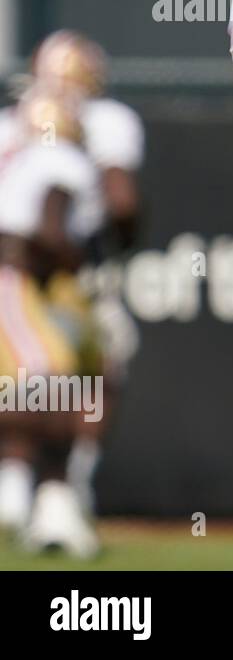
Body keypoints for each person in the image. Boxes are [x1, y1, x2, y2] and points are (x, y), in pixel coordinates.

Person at [0, 89, 104, 556]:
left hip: (19, 280)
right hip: (13, 277)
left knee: (52, 380)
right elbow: (49, 229)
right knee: (53, 381)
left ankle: (24, 493)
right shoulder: (61, 158)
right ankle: (53, 502)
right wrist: (76, 257)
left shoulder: (17, 153)